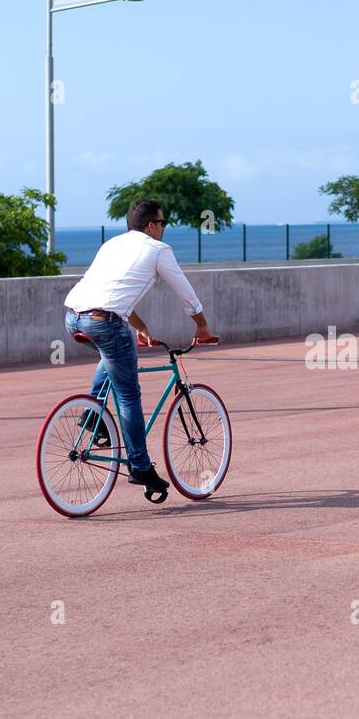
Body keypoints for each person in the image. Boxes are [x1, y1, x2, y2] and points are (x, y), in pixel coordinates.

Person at [63, 199, 218, 502]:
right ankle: (140, 466)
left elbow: (112, 293)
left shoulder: (112, 245)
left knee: (110, 356)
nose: (163, 229)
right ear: (151, 225)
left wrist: (142, 327)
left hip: (73, 316)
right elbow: (185, 292)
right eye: (162, 223)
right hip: (104, 321)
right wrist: (202, 326)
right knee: (129, 394)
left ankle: (92, 419)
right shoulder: (158, 250)